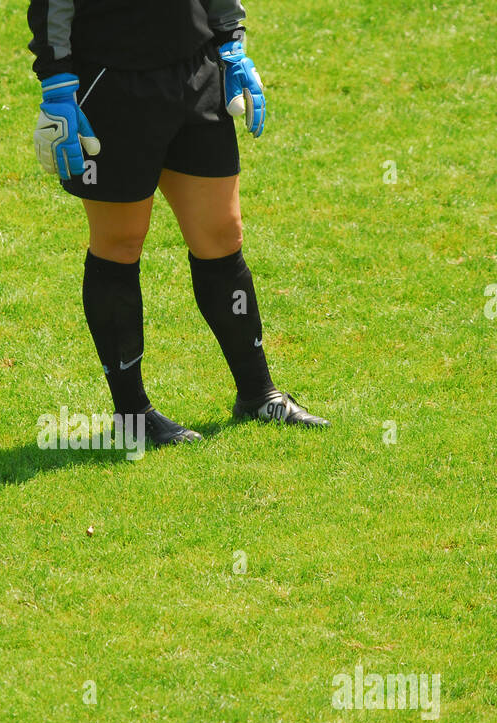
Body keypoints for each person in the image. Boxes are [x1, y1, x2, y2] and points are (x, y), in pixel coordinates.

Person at [28, 0, 330, 447]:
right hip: (111, 80)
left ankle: (258, 393)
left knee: (222, 235)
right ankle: (132, 414)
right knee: (121, 242)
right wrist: (56, 80)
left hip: (196, 71)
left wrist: (230, 41)